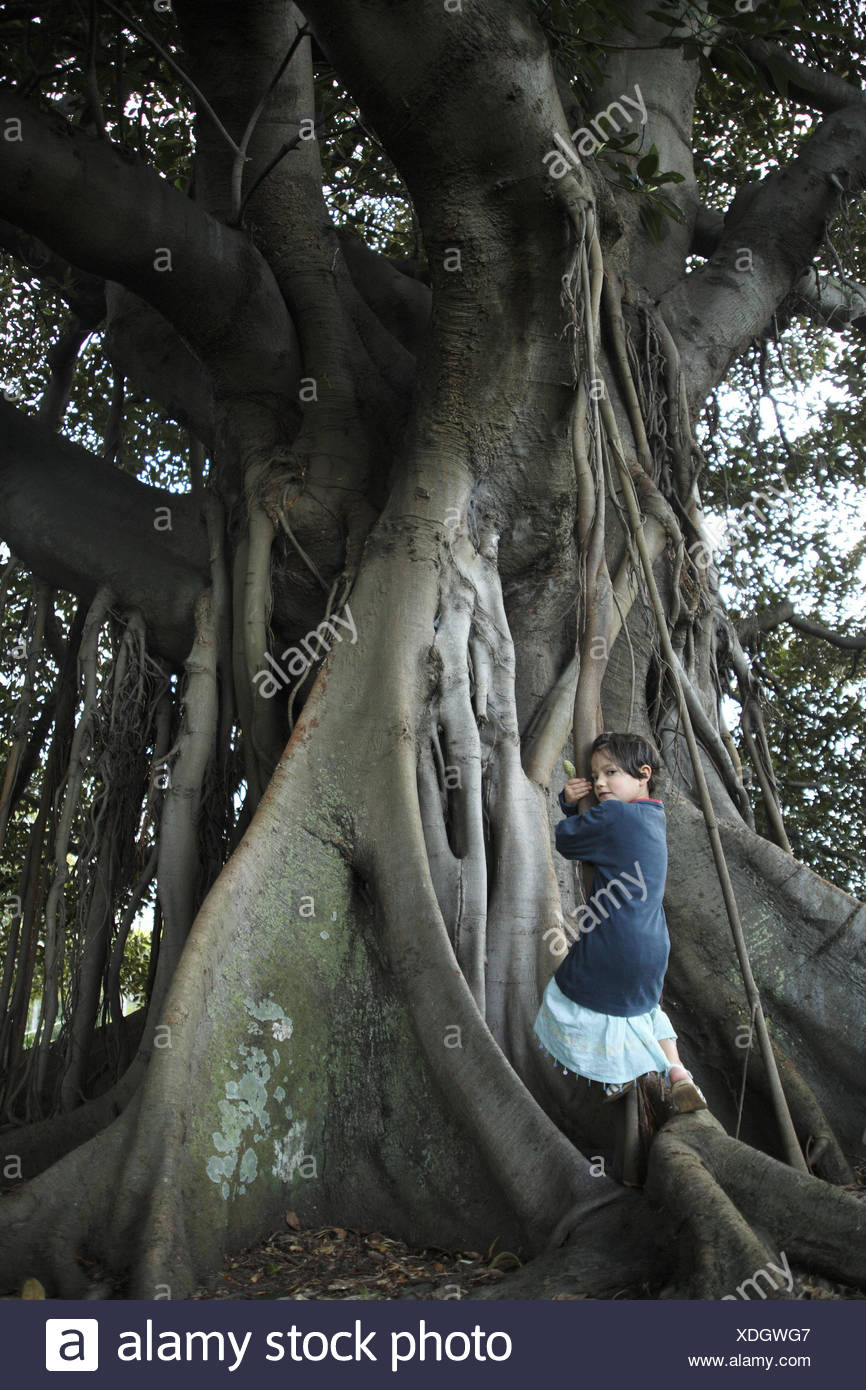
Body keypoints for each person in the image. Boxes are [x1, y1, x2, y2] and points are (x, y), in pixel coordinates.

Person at [533, 730, 706, 1123]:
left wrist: (569, 802)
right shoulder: (654, 816)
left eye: (611, 772)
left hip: (615, 942)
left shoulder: (612, 814)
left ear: (643, 774)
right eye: (595, 777)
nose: (599, 784)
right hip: (654, 947)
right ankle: (679, 1073)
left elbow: (567, 840)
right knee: (644, 1009)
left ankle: (617, 1074)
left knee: (566, 998)